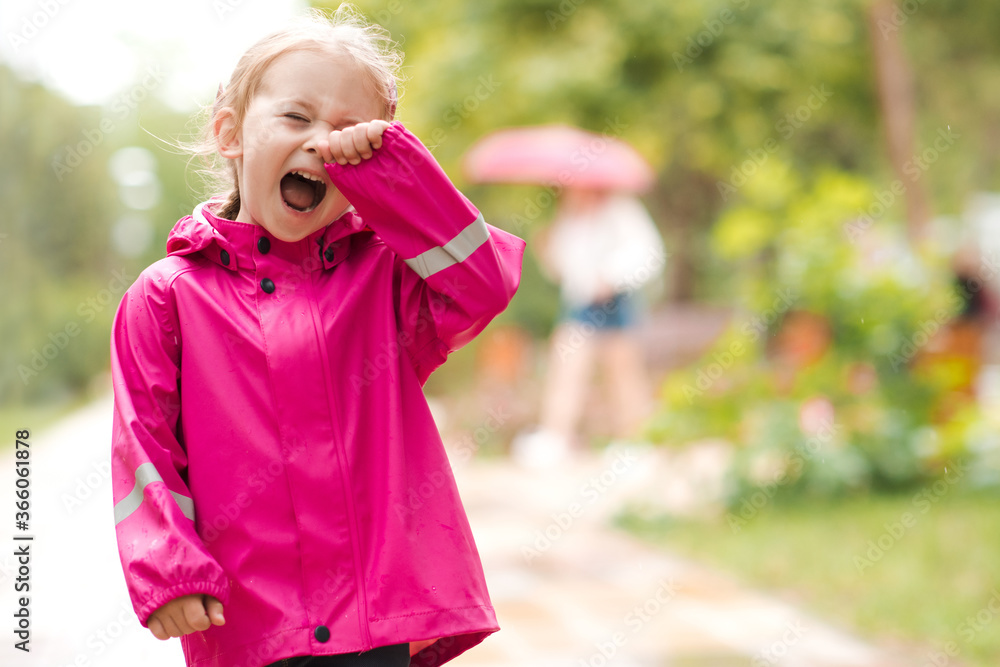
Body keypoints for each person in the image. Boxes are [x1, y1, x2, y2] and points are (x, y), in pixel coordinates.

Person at [110, 7, 525, 667]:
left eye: (349, 133)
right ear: (230, 133)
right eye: (296, 118)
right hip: (249, 620)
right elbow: (143, 448)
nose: (319, 144)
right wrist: (168, 570)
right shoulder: (168, 297)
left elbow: (483, 283)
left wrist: (397, 174)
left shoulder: (387, 276)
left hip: (376, 614)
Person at [512, 187, 664, 468]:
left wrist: (611, 276)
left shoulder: (621, 209)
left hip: (615, 299)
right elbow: (563, 270)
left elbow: (648, 252)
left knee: (623, 372)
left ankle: (637, 441)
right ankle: (556, 437)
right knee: (567, 366)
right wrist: (547, 250)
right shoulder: (567, 216)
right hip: (581, 301)